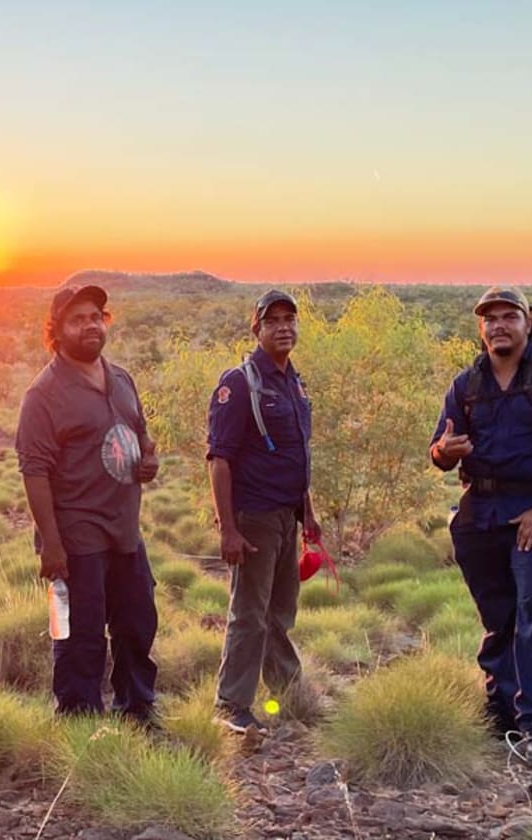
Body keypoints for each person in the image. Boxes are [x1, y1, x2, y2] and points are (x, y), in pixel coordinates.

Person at [429, 285, 532, 769]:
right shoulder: (467, 384)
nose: (499, 325)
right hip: (480, 514)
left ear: (527, 323)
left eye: (509, 317)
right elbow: (439, 450)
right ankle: (502, 712)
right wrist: (445, 452)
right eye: (490, 318)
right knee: (499, 618)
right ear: (480, 328)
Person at [16, 284, 161, 724]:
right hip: (75, 536)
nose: (90, 325)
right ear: (56, 331)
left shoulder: (121, 379)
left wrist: (148, 458)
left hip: (124, 529)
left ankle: (137, 708)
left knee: (137, 622)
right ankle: (78, 718)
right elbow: (34, 471)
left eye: (96, 316)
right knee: (78, 633)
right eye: (77, 319)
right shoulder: (43, 395)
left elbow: (140, 433)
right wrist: (52, 546)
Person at [206, 290, 319, 734]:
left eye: (290, 319)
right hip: (252, 516)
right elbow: (219, 459)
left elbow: (299, 454)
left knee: (281, 610)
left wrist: (307, 512)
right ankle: (231, 704)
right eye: (273, 321)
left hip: (287, 516)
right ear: (256, 328)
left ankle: (287, 693)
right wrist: (228, 529)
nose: (284, 327)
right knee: (249, 612)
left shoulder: (294, 382)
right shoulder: (239, 383)